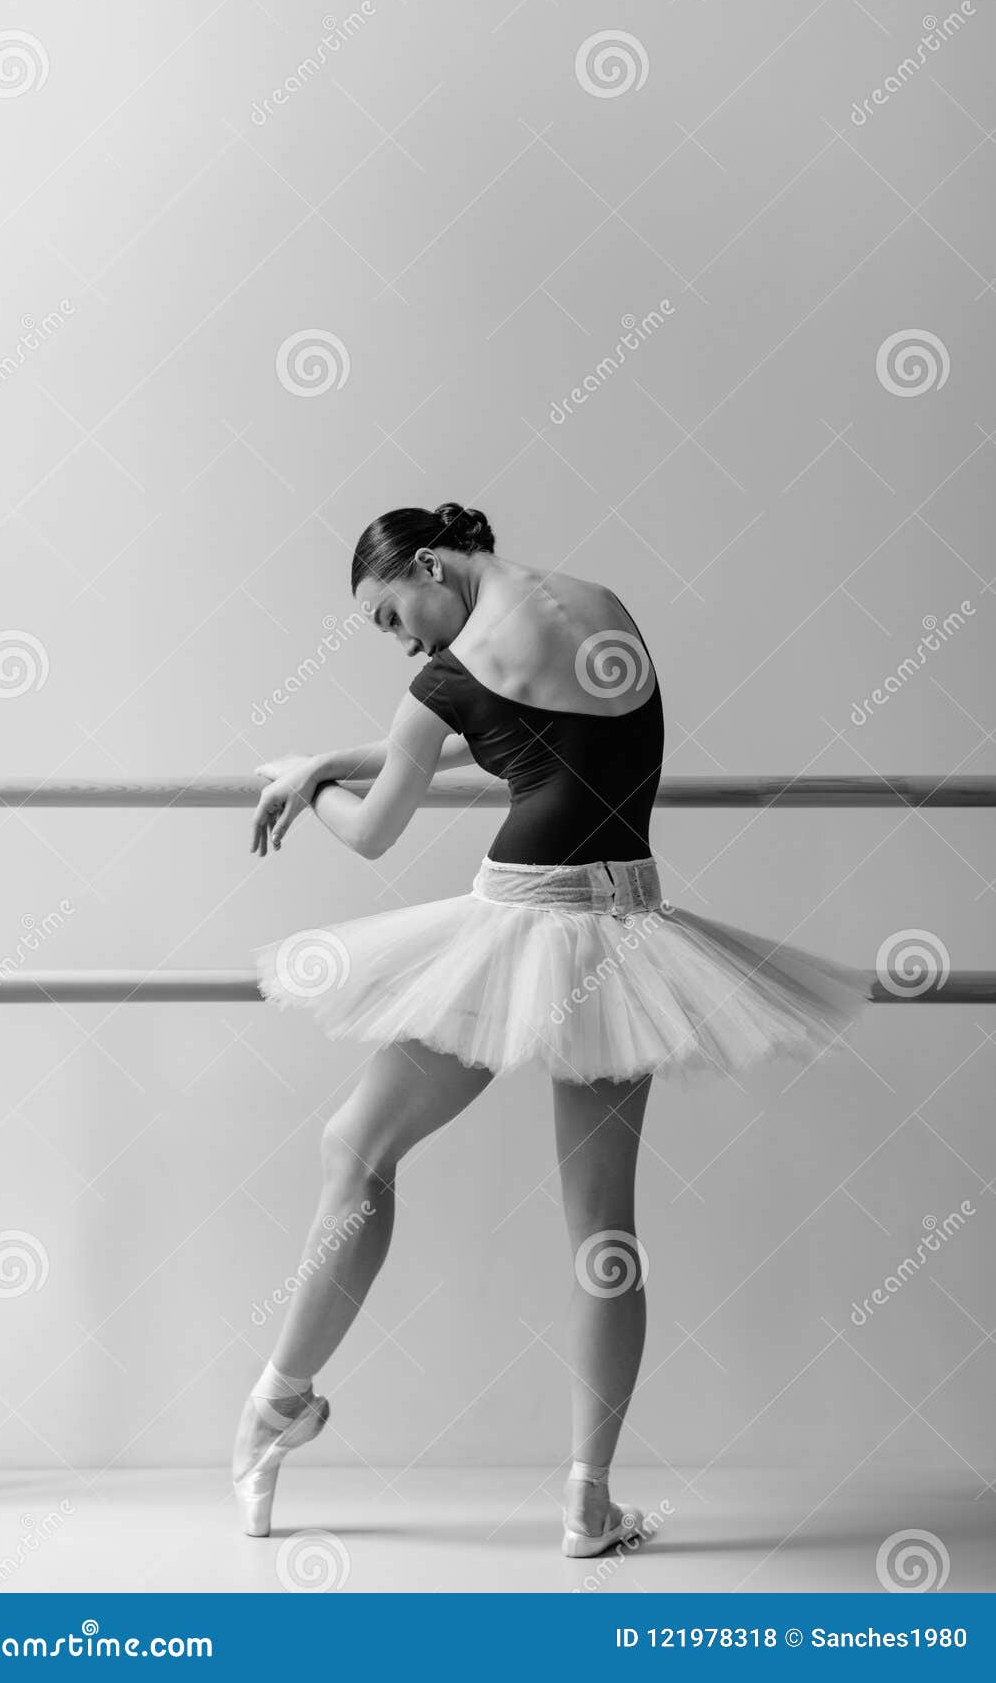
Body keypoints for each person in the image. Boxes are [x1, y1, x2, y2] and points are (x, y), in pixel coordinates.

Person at [233, 501, 870, 1555]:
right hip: (627, 930)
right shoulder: (597, 605)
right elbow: (528, 737)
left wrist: (306, 783)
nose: (402, 643)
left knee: (355, 1149)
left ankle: (274, 1404)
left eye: (390, 616)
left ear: (428, 565)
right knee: (603, 1234)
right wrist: (335, 756)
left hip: (521, 927)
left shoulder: (445, 677)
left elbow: (375, 830)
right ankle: (587, 1501)